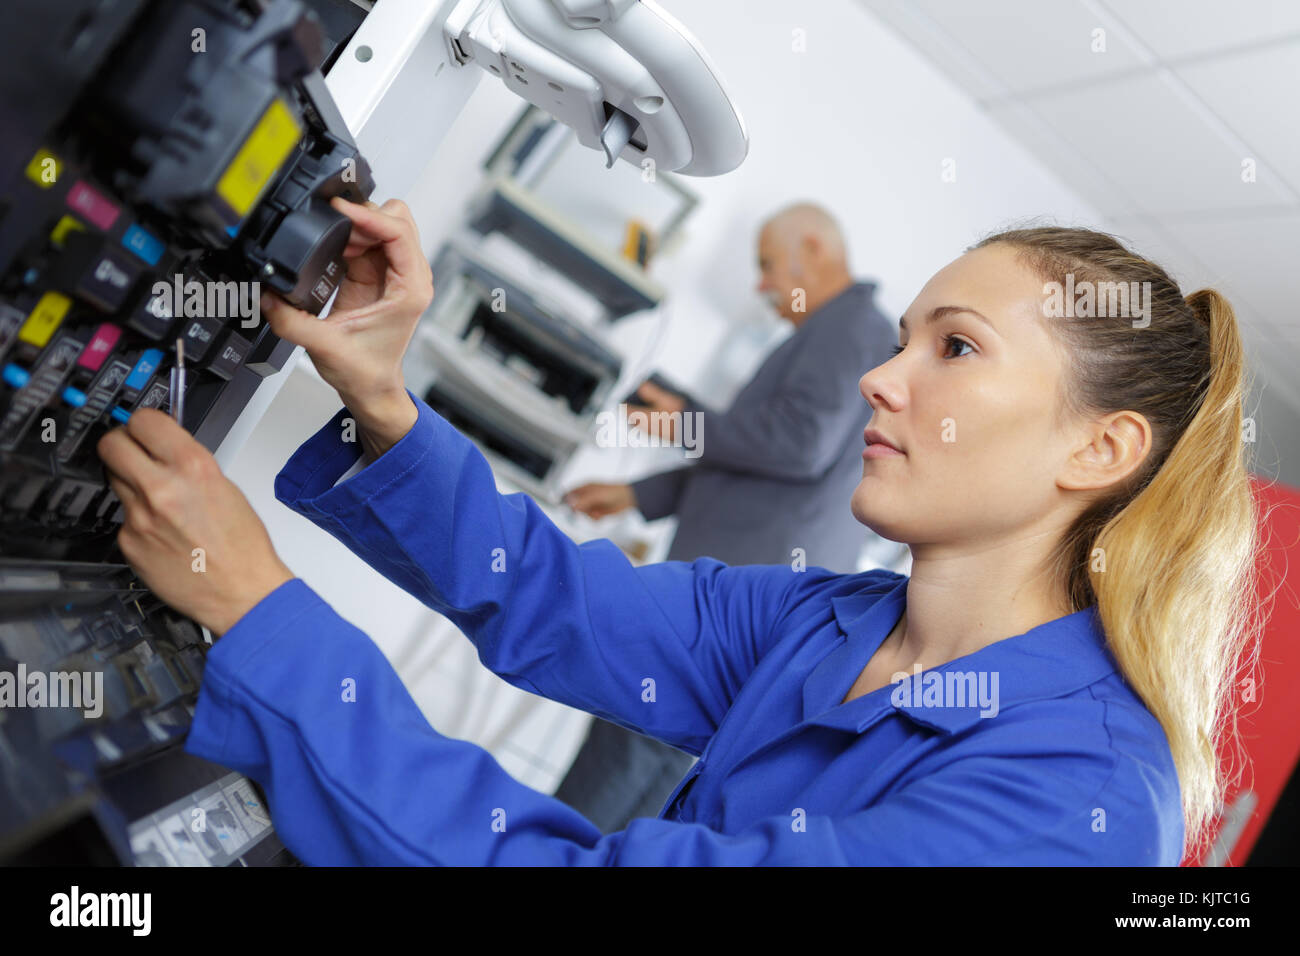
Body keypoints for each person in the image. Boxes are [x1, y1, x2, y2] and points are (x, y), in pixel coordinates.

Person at [96, 197, 1261, 864]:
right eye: (903, 337)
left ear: (1097, 450)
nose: (880, 380)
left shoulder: (1073, 801)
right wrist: (387, 397)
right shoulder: (830, 621)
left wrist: (264, 615)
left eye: (952, 348)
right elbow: (555, 596)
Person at [556, 202, 896, 832]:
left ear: (815, 250)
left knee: (629, 751)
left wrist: (682, 421)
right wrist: (642, 496)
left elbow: (798, 444)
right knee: (654, 771)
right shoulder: (836, 334)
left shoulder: (850, 328)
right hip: (743, 604)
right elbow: (761, 459)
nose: (763, 284)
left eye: (768, 266)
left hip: (736, 601)